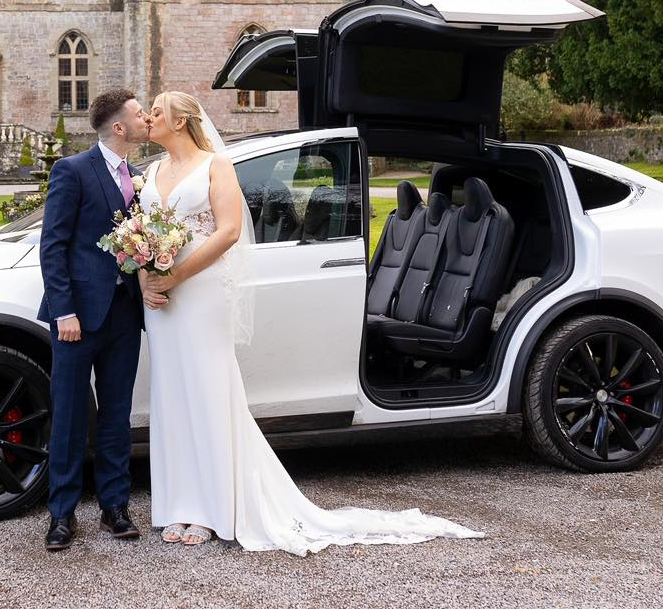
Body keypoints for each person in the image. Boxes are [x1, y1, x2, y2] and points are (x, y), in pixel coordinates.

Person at [138, 90, 485, 555]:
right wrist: (147, 280)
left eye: (156, 111)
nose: (149, 117)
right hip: (162, 299)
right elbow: (141, 234)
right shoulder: (152, 172)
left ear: (181, 120)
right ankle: (178, 502)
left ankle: (211, 507)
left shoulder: (215, 165)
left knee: (205, 390)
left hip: (200, 292)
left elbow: (229, 231)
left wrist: (176, 275)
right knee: (171, 394)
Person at [35, 88, 150, 552]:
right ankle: (61, 513)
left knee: (117, 413)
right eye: (139, 114)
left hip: (125, 312)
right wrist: (63, 310)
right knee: (68, 415)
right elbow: (53, 244)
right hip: (77, 317)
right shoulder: (73, 170)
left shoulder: (139, 177)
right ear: (118, 126)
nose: (146, 119)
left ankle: (114, 506)